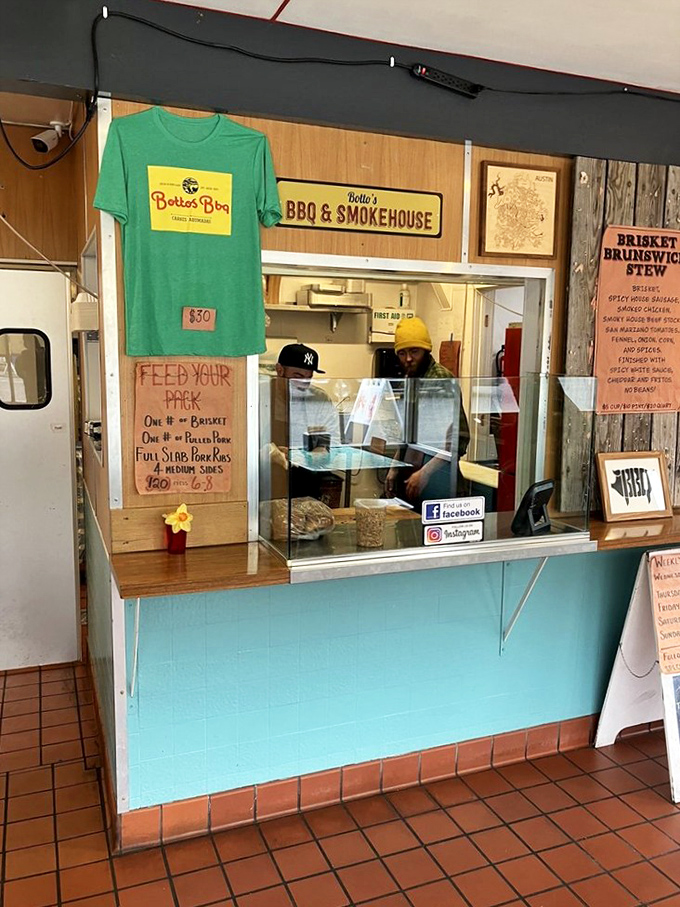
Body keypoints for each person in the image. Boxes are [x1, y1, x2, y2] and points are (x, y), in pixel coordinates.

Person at [385, 317, 470, 507]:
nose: (408, 359)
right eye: (402, 353)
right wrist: (394, 468)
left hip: (440, 480)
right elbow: (410, 435)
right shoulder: (413, 379)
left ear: (426, 350)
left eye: (414, 351)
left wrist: (425, 473)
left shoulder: (438, 380)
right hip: (415, 475)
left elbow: (456, 441)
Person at [270, 343, 341, 500]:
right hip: (266, 477)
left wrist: (306, 455)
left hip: (306, 478)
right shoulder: (262, 395)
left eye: (308, 378)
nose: (303, 385)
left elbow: (333, 444)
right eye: (297, 377)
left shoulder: (319, 400)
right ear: (279, 370)